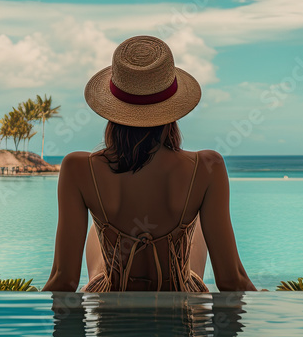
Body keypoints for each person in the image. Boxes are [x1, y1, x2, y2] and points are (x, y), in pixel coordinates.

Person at [43, 35, 256, 292]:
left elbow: (63, 281)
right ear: (173, 109)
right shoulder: (208, 166)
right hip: (181, 307)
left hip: (112, 310)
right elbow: (231, 280)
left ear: (112, 108)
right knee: (196, 222)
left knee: (97, 230)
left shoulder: (77, 168)